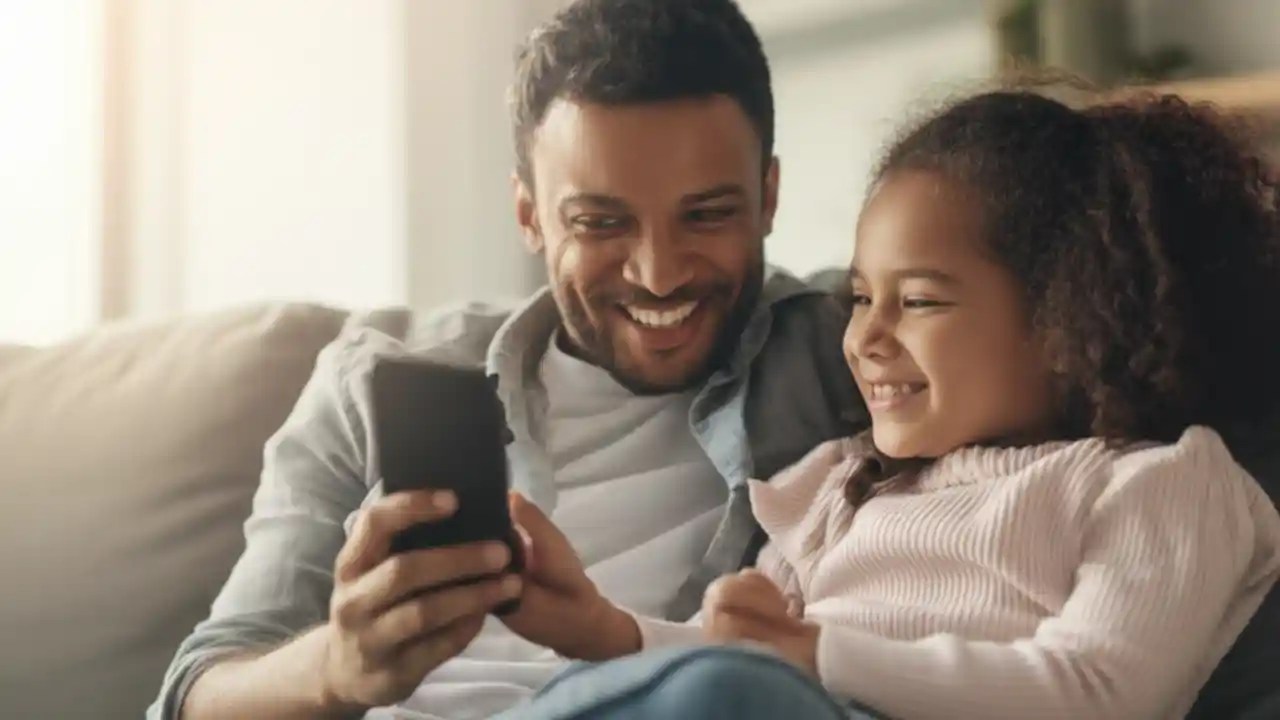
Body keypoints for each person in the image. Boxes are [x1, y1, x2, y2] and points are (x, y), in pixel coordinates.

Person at [146, 1, 863, 718]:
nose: (659, 273)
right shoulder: (374, 382)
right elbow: (197, 698)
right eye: (600, 223)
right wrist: (337, 667)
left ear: (768, 196)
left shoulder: (855, 349)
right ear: (529, 216)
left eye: (706, 215)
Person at [491, 89, 1280, 719]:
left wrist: (815, 655)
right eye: (861, 297)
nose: (865, 337)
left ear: (1075, 316)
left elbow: (1101, 690)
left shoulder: (1163, 484)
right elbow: (724, 646)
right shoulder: (840, 482)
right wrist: (602, 629)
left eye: (922, 302)